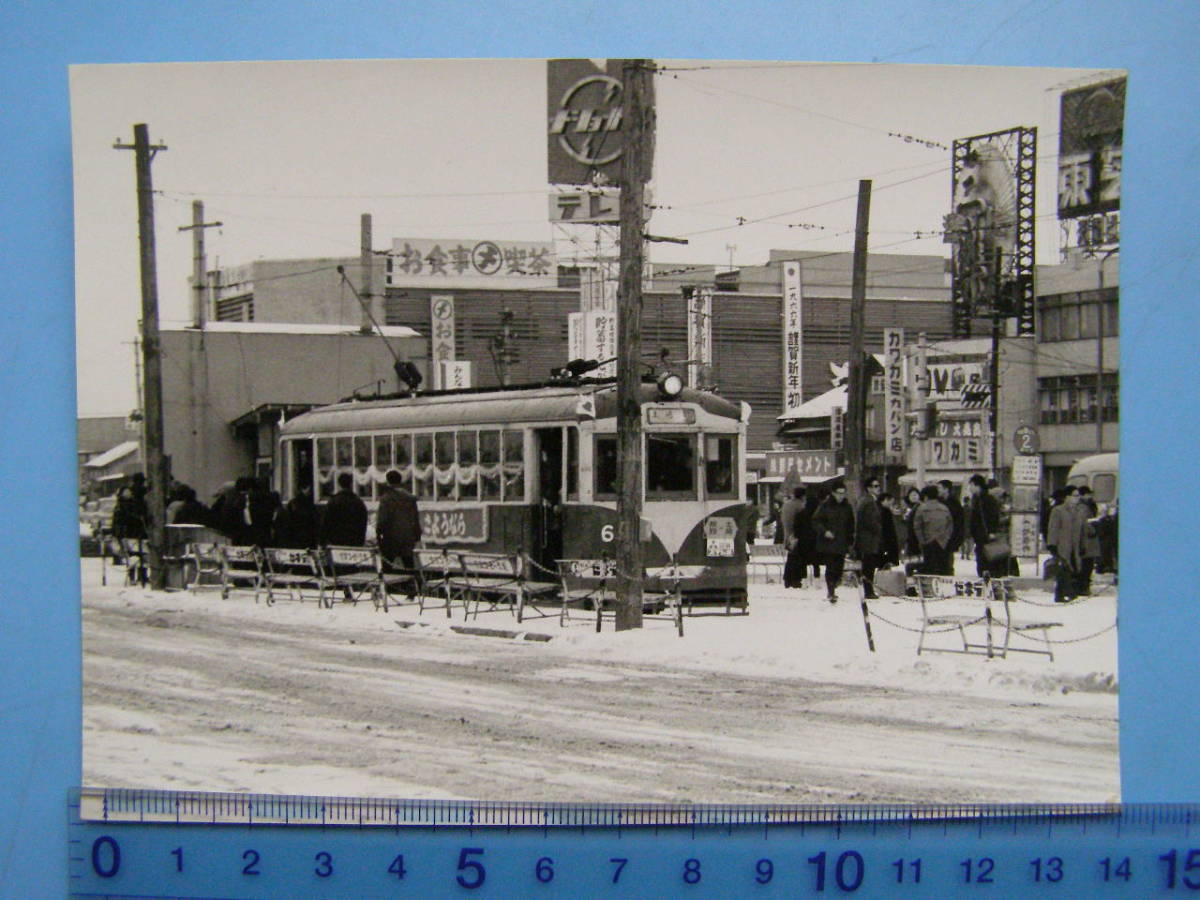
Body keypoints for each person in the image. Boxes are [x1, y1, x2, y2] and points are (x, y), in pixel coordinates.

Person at [376, 469, 423, 599]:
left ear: (388, 481)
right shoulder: (409, 498)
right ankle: (412, 590)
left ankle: (385, 591)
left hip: (390, 536)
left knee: (386, 565)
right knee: (408, 563)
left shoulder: (386, 499)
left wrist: (379, 535)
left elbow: (382, 520)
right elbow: (415, 518)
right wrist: (416, 535)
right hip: (408, 536)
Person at [811, 482, 855, 603]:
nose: (841, 496)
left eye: (843, 493)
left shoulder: (847, 507)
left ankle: (835, 583)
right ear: (833, 493)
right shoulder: (825, 506)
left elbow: (851, 524)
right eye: (839, 493)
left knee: (839, 568)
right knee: (830, 567)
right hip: (828, 543)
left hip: (842, 542)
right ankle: (831, 591)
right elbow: (815, 521)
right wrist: (824, 531)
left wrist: (850, 540)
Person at [1046, 484, 1089, 603]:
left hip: (1075, 546)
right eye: (1075, 495)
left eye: (1078, 496)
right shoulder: (1058, 510)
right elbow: (1053, 528)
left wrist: (1083, 545)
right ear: (1067, 497)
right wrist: (1052, 544)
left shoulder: (1080, 511)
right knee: (1064, 567)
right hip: (1062, 544)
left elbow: (1082, 530)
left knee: (1073, 567)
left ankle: (1060, 594)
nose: (1077, 498)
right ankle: (1069, 592)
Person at [966, 473, 1005, 578]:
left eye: (971, 485)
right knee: (982, 561)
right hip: (980, 536)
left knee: (986, 561)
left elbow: (993, 516)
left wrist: (992, 531)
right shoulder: (977, 499)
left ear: (977, 485)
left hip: (986, 535)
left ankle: (988, 581)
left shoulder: (986, 499)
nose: (970, 488)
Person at [912, 484, 953, 576]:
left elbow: (917, 527)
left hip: (928, 542)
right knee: (942, 569)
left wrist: (922, 541)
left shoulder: (921, 509)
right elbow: (950, 526)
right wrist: (946, 538)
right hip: (942, 542)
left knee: (929, 569)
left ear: (926, 497)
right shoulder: (945, 508)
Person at [319, 471, 368, 547]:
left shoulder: (333, 501)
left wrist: (322, 542)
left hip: (336, 542)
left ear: (339, 485)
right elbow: (363, 522)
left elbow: (325, 522)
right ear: (351, 484)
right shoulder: (358, 502)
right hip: (354, 542)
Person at [854, 478, 884, 598]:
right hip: (869, 539)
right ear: (869, 488)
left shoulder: (864, 500)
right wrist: (879, 530)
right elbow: (871, 521)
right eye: (875, 486)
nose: (878, 488)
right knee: (869, 565)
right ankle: (869, 591)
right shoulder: (869, 502)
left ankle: (868, 589)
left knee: (867, 565)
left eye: (878, 486)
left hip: (865, 538)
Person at [273, 482, 318, 549]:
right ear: (304, 489)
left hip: (294, 538)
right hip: (305, 537)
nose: (310, 492)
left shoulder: (292, 504)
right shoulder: (308, 504)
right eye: (309, 490)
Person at [780, 485, 809, 589]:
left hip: (787, 534)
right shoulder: (800, 506)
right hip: (796, 535)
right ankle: (795, 580)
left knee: (791, 557)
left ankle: (787, 579)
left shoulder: (786, 505)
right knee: (797, 559)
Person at [1077, 485, 1102, 595]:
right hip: (1087, 540)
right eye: (1088, 494)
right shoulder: (1084, 507)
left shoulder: (1086, 505)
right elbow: (1085, 523)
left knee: (1087, 565)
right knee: (1087, 565)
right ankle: (1083, 588)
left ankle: (1084, 587)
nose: (1090, 495)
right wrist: (1094, 529)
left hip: (1088, 540)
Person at [938, 480, 965, 563]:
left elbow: (959, 520)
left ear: (946, 489)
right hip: (941, 534)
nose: (938, 490)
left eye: (939, 488)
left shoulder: (954, 503)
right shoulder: (939, 501)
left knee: (948, 556)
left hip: (951, 534)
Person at [878, 492, 900, 569]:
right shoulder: (885, 512)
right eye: (890, 502)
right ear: (885, 500)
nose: (891, 505)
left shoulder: (881, 511)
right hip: (888, 542)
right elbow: (888, 530)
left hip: (884, 543)